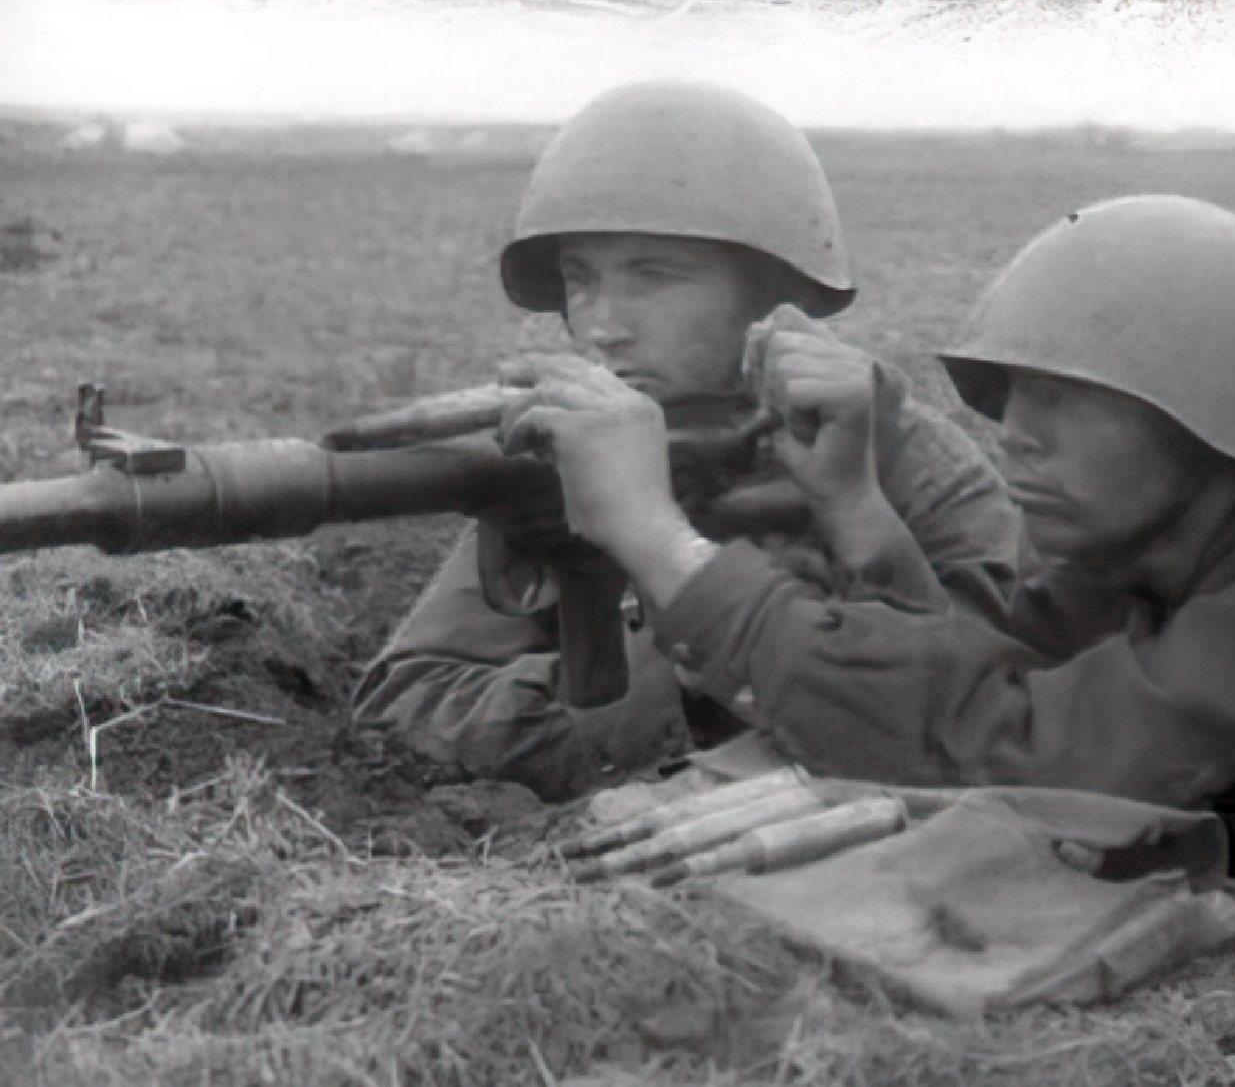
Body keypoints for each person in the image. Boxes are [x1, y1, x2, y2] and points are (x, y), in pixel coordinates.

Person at [506, 194, 1235, 881]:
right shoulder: (1149, 539)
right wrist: (855, 508)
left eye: (1069, 400)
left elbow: (1012, 761)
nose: (1013, 438)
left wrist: (659, 540)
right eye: (1012, 395)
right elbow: (961, 671)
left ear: (1205, 417)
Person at [352, 82, 1020, 801]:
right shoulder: (574, 452)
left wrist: (770, 624)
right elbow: (405, 702)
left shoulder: (898, 452)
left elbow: (1007, 710)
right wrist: (653, 690)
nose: (603, 323)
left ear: (770, 292)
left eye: (654, 276)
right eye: (580, 279)